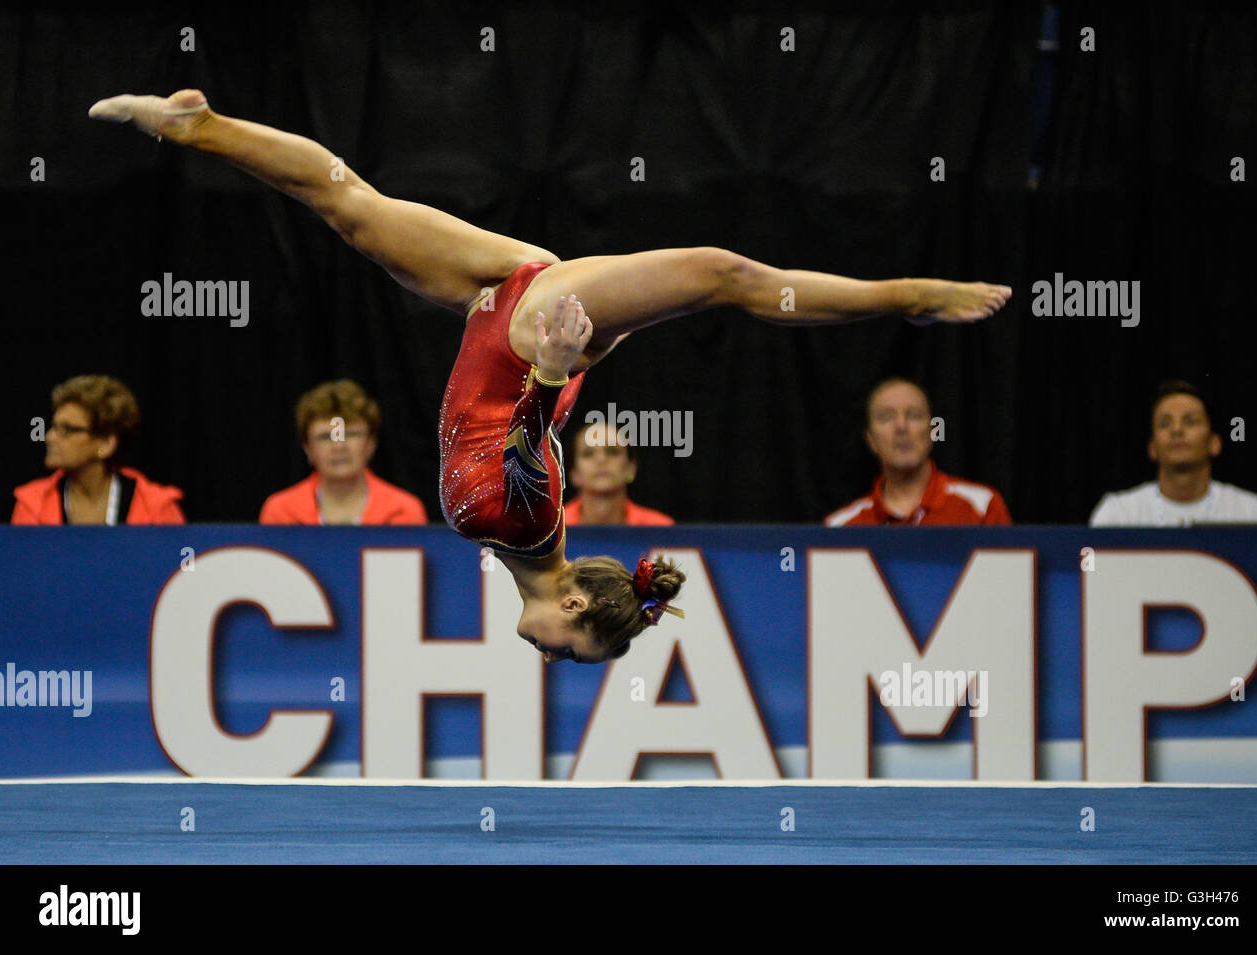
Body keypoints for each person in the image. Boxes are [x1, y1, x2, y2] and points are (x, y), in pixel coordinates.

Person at [90, 89, 1012, 661]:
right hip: (530, 333)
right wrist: (552, 367)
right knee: (730, 278)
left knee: (347, 202)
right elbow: (527, 451)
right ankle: (908, 293)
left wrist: (557, 378)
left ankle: (197, 125)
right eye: (571, 650)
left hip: (511, 320)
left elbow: (526, 449)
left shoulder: (514, 543)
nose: (550, 657)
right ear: (575, 601)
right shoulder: (522, 527)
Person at [1089, 380, 1257, 526]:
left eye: (1190, 421)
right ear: (1152, 447)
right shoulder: (1118, 514)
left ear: (1215, 443)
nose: (1177, 430)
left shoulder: (1251, 514)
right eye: (1165, 423)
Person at [825, 378, 1011, 526]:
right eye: (886, 417)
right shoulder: (841, 527)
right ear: (870, 439)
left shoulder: (983, 507)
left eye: (914, 415)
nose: (901, 427)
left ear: (932, 432)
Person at [12, 374, 185, 525]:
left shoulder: (157, 508)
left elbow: (175, 563)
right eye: (54, 427)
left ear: (106, 444)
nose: (49, 437)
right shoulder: (31, 506)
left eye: (67, 430)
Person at [260, 379, 427, 525]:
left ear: (371, 443)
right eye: (325, 437)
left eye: (351, 434)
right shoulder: (281, 512)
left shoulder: (403, 511)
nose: (339, 446)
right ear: (307, 447)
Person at [563, 421, 674, 526]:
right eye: (588, 454)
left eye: (612, 452)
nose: (601, 459)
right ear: (574, 473)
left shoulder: (660, 528)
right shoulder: (550, 530)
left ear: (631, 469)